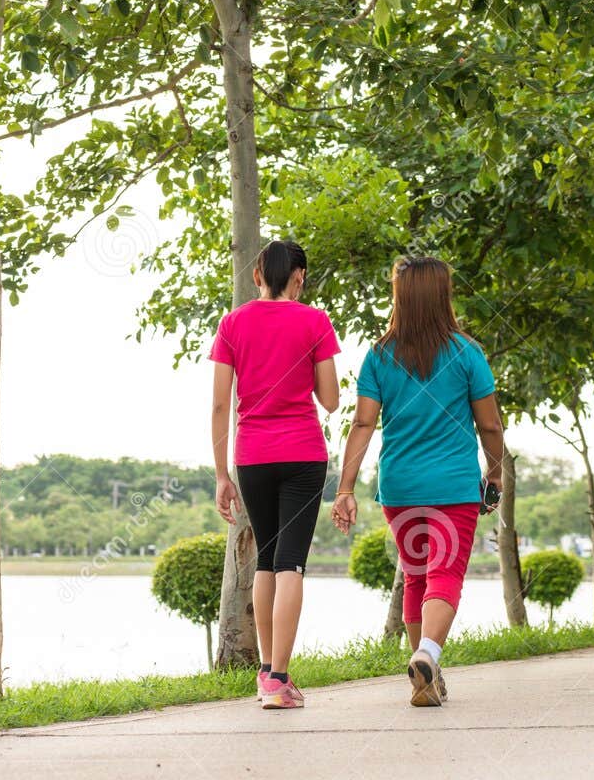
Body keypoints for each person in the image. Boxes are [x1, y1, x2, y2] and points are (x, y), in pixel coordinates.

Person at [331, 257, 505, 707]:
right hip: (453, 488)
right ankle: (428, 655)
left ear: (401, 297)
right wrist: (497, 470)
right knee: (444, 575)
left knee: (416, 577)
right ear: (442, 295)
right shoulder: (467, 353)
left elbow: (363, 424)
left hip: (400, 488)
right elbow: (489, 426)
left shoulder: (379, 355)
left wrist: (346, 487)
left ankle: (425, 676)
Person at [210, 240, 340, 710]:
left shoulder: (232, 323)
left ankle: (267, 672)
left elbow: (222, 404)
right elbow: (330, 400)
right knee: (291, 564)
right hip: (303, 454)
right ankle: (278, 680)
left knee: (266, 560)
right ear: (299, 277)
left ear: (257, 276)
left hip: (251, 456)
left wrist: (222, 474)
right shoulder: (314, 321)